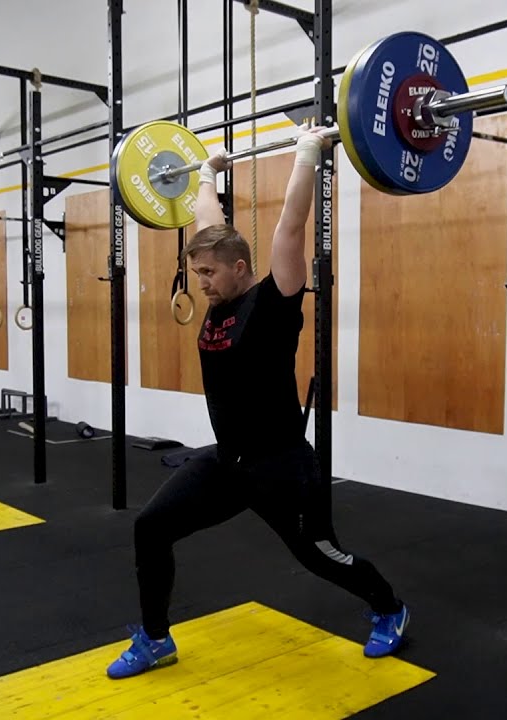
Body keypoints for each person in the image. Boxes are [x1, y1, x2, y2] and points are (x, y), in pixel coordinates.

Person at [106, 124, 410, 680]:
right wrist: (205, 174)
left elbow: (291, 226)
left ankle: (389, 606)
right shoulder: (218, 294)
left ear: (240, 269)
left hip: (282, 468)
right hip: (229, 462)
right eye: (198, 272)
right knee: (151, 527)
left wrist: (306, 154)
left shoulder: (273, 303)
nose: (201, 282)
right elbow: (209, 226)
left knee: (321, 556)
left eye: (208, 273)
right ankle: (155, 639)